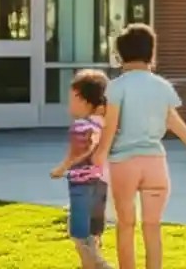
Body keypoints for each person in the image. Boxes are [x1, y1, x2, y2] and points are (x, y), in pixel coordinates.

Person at [93, 24, 186, 269]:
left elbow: (110, 127)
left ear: (120, 54)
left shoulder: (117, 87)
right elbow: (176, 124)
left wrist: (98, 156)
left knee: (125, 226)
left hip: (124, 163)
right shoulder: (162, 86)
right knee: (153, 228)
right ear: (151, 52)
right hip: (156, 164)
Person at [51, 69, 113, 269]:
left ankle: (97, 264)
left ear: (83, 99)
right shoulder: (106, 124)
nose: (69, 105)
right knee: (94, 226)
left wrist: (62, 167)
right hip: (102, 182)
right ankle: (92, 262)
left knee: (78, 228)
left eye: (71, 99)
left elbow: (79, 150)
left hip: (81, 183)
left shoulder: (81, 125)